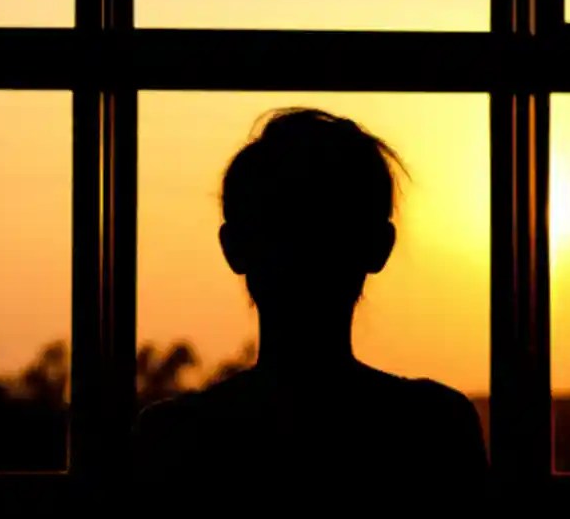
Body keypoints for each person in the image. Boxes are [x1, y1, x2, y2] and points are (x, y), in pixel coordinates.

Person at [133, 108, 488, 494]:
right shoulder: (433, 429)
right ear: (379, 246)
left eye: (323, 227)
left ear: (233, 247)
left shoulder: (173, 438)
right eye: (286, 226)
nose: (304, 253)